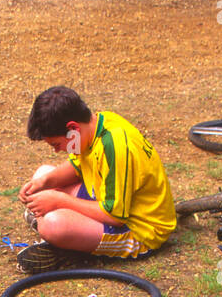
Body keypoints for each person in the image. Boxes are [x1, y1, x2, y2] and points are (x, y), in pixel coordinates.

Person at [17, 85, 175, 273]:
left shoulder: (114, 147)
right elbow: (77, 168)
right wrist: (44, 183)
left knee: (53, 224)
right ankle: (69, 239)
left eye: (57, 144)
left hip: (139, 230)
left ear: (72, 128)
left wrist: (60, 201)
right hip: (106, 200)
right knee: (43, 174)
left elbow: (114, 217)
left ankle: (69, 247)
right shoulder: (93, 126)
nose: (57, 150)